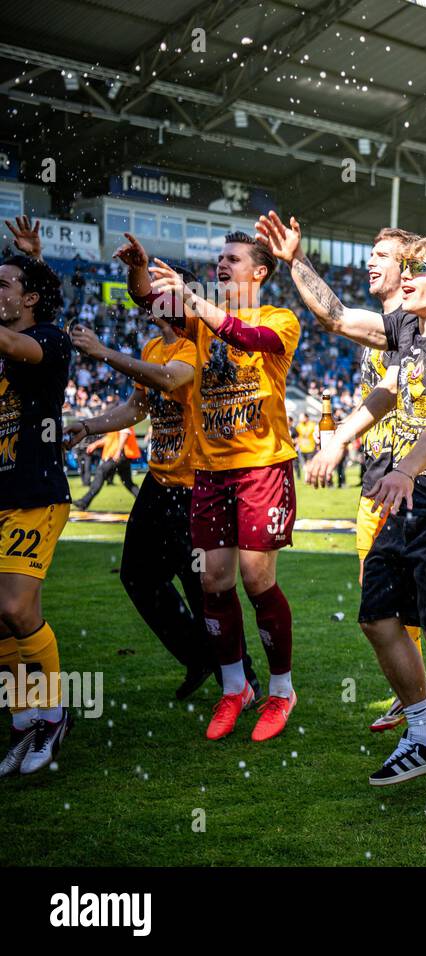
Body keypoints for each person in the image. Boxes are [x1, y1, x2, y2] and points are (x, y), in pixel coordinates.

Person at [260, 215, 426, 818]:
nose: (406, 278)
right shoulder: (407, 332)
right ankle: (425, 733)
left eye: (419, 269)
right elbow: (345, 329)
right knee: (376, 618)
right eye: (406, 268)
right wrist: (295, 261)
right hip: (405, 499)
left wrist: (407, 469)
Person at [257, 217, 426, 736]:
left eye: (381, 256)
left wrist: (296, 260)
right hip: (377, 474)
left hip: (415, 476)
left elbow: (338, 323)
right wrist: (342, 439)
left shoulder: (420, 325)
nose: (369, 262)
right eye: (371, 253)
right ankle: (418, 692)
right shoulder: (384, 326)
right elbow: (337, 319)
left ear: (408, 267)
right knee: (378, 593)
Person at [65, 234, 259, 700]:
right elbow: (138, 406)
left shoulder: (196, 344)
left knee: (203, 588)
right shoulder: (154, 346)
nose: (151, 300)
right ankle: (198, 656)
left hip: (195, 486)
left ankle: (243, 680)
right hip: (159, 482)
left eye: (162, 292)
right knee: (138, 576)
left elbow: (170, 380)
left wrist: (104, 353)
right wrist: (89, 425)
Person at [148, 232, 301, 743]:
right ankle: (235, 688)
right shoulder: (197, 320)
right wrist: (140, 270)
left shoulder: (280, 319)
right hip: (211, 471)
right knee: (214, 582)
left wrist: (193, 299)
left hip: (262, 467)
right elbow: (148, 301)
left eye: (232, 259)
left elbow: (245, 337)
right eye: (218, 258)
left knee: (257, 581)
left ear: (259, 272)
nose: (221, 264)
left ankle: (281, 690)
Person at [0, 218, 74, 777]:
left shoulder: (50, 339)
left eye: (2, 285)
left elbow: (16, 340)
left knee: (15, 608)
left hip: (36, 495)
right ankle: (25, 719)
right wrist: (34, 262)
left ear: (27, 298)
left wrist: (39, 268)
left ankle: (54, 712)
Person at [72, 424, 141, 508]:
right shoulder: (117, 422)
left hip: (119, 455)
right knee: (128, 483)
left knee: (100, 472)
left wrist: (118, 452)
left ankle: (84, 501)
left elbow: (124, 434)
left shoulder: (122, 419)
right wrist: (95, 444)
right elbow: (109, 439)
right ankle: (144, 501)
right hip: (123, 456)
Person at [293, 412, 317, 480]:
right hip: (302, 448)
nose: (300, 419)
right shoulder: (299, 426)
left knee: (309, 464)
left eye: (302, 417)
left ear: (306, 418)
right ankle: (308, 476)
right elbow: (297, 436)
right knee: (304, 465)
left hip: (311, 448)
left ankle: (309, 477)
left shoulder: (312, 425)